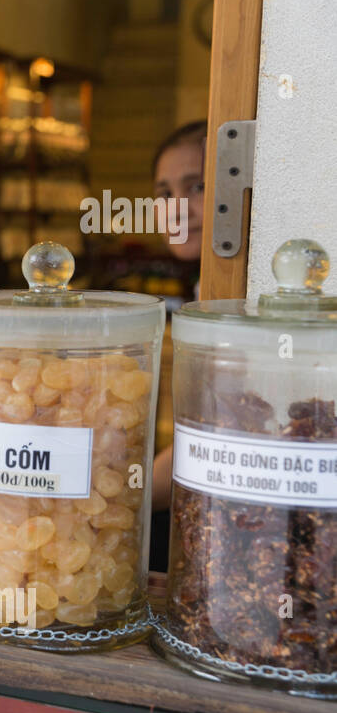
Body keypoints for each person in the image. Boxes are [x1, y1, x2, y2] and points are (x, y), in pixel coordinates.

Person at [148, 120, 206, 571]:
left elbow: (207, 441)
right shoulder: (203, 285)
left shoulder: (229, 295)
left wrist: (119, 498)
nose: (178, 208)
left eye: (198, 186)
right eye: (165, 193)